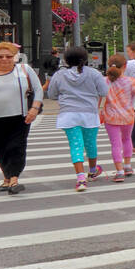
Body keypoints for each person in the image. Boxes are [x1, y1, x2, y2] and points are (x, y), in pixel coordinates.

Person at [0, 41, 44, 194]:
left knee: (16, 147)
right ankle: (7, 177)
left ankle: (13, 179)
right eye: (0, 56)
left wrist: (34, 108)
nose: (4, 59)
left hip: (20, 116)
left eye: (8, 56)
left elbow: (38, 90)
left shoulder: (24, 70)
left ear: (15, 57)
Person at [45, 45, 109, 192]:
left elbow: (52, 94)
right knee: (90, 144)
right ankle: (92, 171)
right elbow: (104, 91)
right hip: (89, 114)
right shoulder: (94, 73)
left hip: (68, 115)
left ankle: (80, 178)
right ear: (85, 59)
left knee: (76, 145)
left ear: (66, 60)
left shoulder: (59, 75)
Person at [99, 53, 135, 183]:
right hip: (128, 116)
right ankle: (128, 166)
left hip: (110, 117)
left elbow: (98, 97)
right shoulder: (131, 81)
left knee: (115, 144)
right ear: (125, 66)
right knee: (127, 140)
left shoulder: (104, 81)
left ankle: (119, 172)